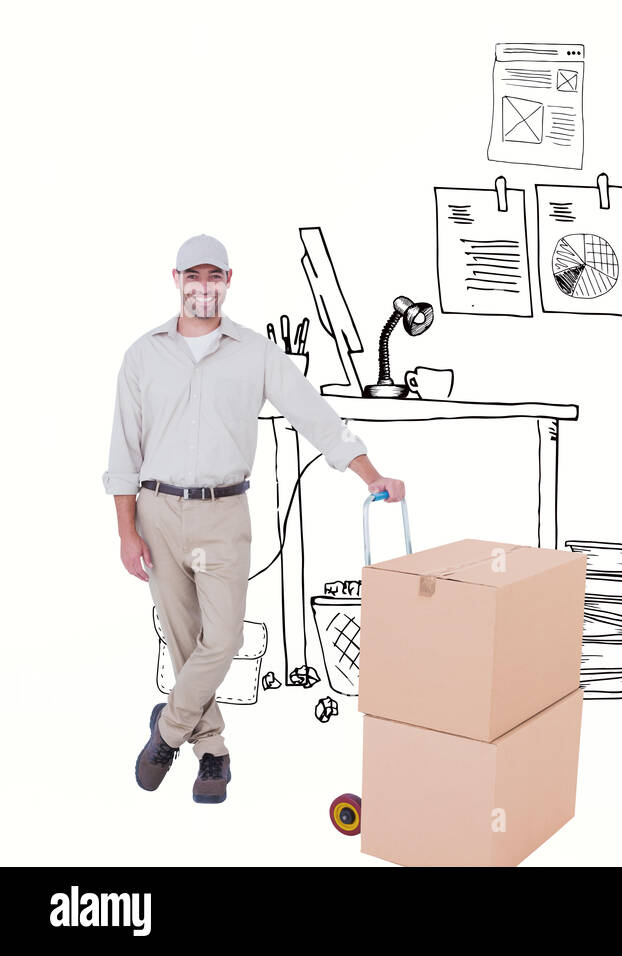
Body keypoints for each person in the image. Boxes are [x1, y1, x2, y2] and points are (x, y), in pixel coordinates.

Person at [104, 234, 406, 804]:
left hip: (224, 513)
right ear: (176, 281)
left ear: (227, 281)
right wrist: (126, 530)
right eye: (192, 277)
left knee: (223, 638)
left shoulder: (257, 352)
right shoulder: (143, 355)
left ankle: (167, 732)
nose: (203, 287)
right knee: (183, 638)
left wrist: (373, 476)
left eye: (213, 276)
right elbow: (123, 450)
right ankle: (212, 749)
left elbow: (315, 415)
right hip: (157, 510)